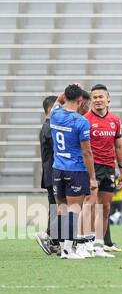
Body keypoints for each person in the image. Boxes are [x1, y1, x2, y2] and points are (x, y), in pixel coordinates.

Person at [50, 85, 97, 259]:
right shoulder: (81, 121)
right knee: (74, 210)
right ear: (80, 101)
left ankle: (63, 248)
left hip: (57, 169)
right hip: (75, 170)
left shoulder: (55, 114)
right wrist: (92, 177)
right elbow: (87, 152)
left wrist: (62, 94)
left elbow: (57, 100)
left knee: (61, 209)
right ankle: (69, 250)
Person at [85, 84, 122, 254]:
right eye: (94, 97)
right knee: (91, 205)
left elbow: (118, 146)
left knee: (105, 207)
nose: (98, 100)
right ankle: (87, 242)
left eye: (101, 97)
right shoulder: (85, 120)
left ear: (108, 99)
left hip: (109, 168)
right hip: (92, 168)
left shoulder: (114, 120)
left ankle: (99, 245)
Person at [35, 95, 58, 255]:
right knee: (57, 208)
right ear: (51, 109)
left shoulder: (47, 127)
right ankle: (47, 236)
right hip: (53, 173)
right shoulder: (49, 128)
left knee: (56, 207)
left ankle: (55, 241)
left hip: (51, 173)